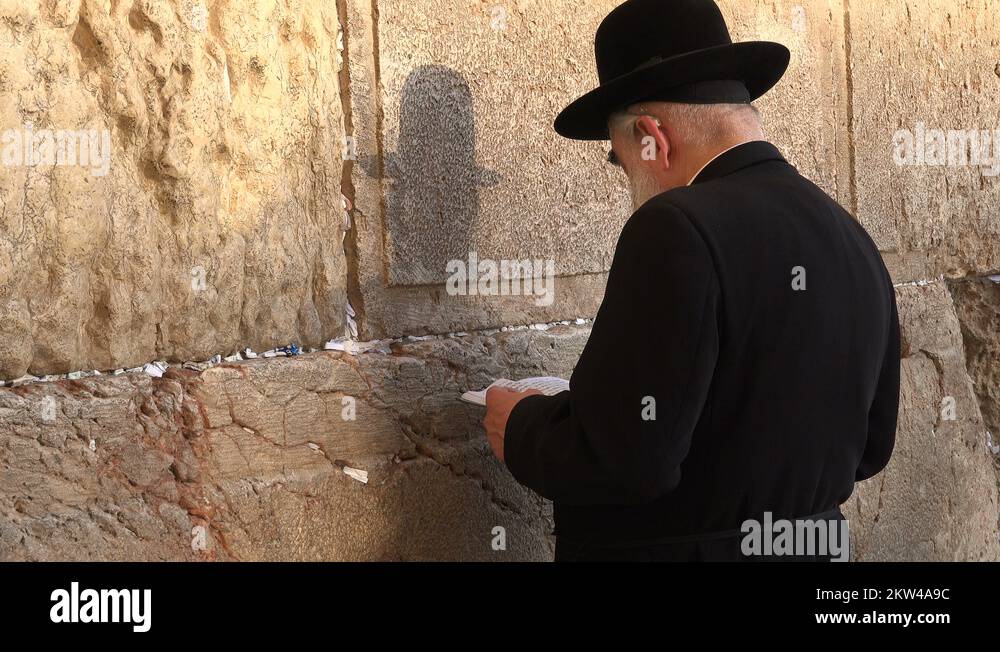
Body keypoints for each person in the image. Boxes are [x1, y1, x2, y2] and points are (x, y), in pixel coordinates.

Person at [482, 0, 900, 561]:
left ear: (651, 136)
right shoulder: (849, 234)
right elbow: (872, 446)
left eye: (621, 161)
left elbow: (627, 460)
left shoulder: (674, 226)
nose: (629, 182)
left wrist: (521, 426)